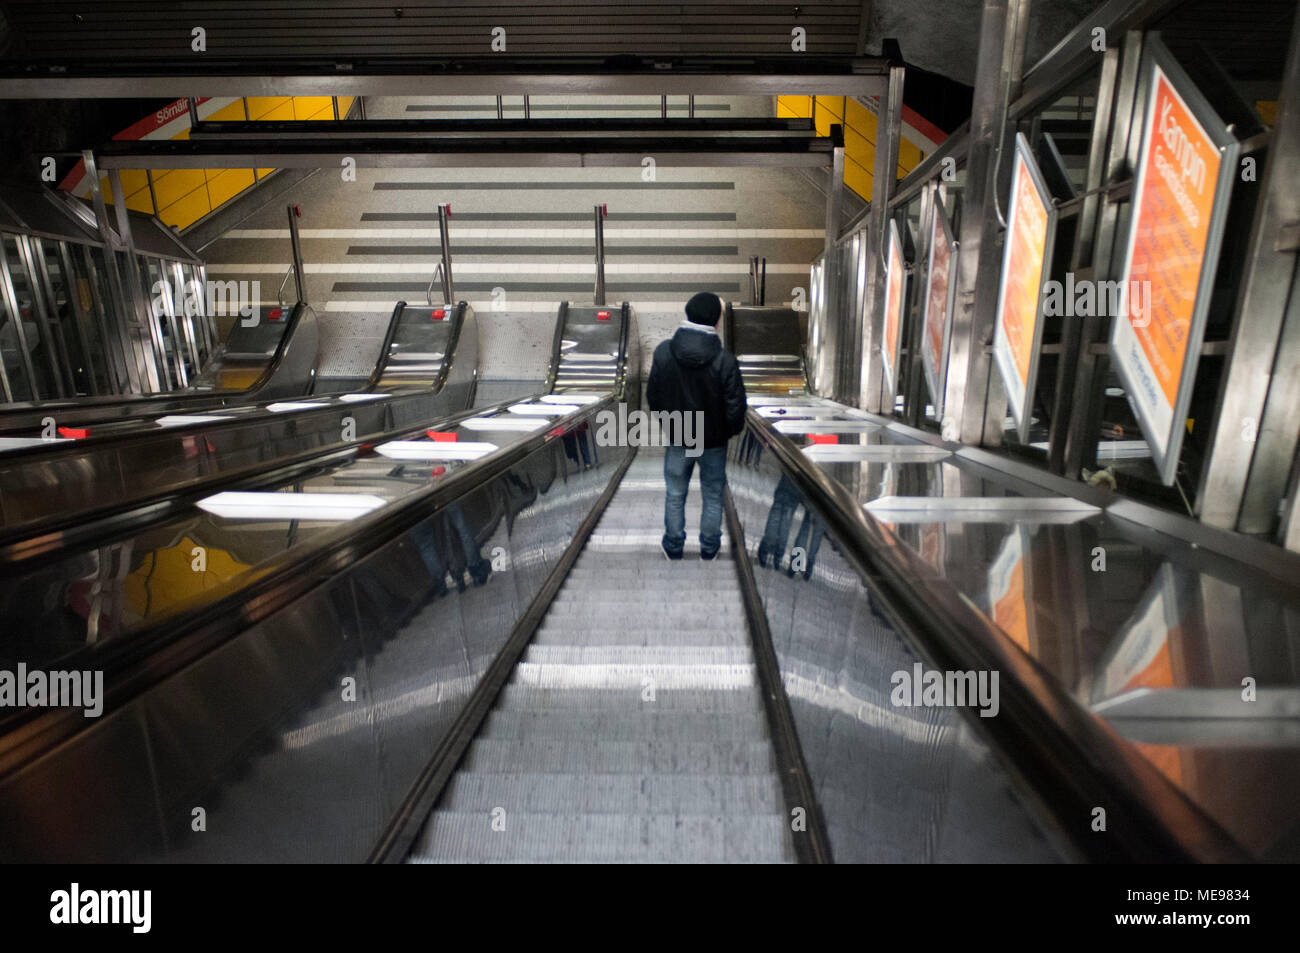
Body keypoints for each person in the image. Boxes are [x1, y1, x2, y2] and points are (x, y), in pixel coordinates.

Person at [646, 291, 747, 560]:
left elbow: (653, 397)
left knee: (675, 493)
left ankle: (674, 545)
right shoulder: (725, 360)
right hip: (713, 442)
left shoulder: (664, 352)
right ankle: (709, 547)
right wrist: (727, 431)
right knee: (713, 495)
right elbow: (736, 406)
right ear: (715, 322)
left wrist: (671, 425)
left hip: (680, 437)